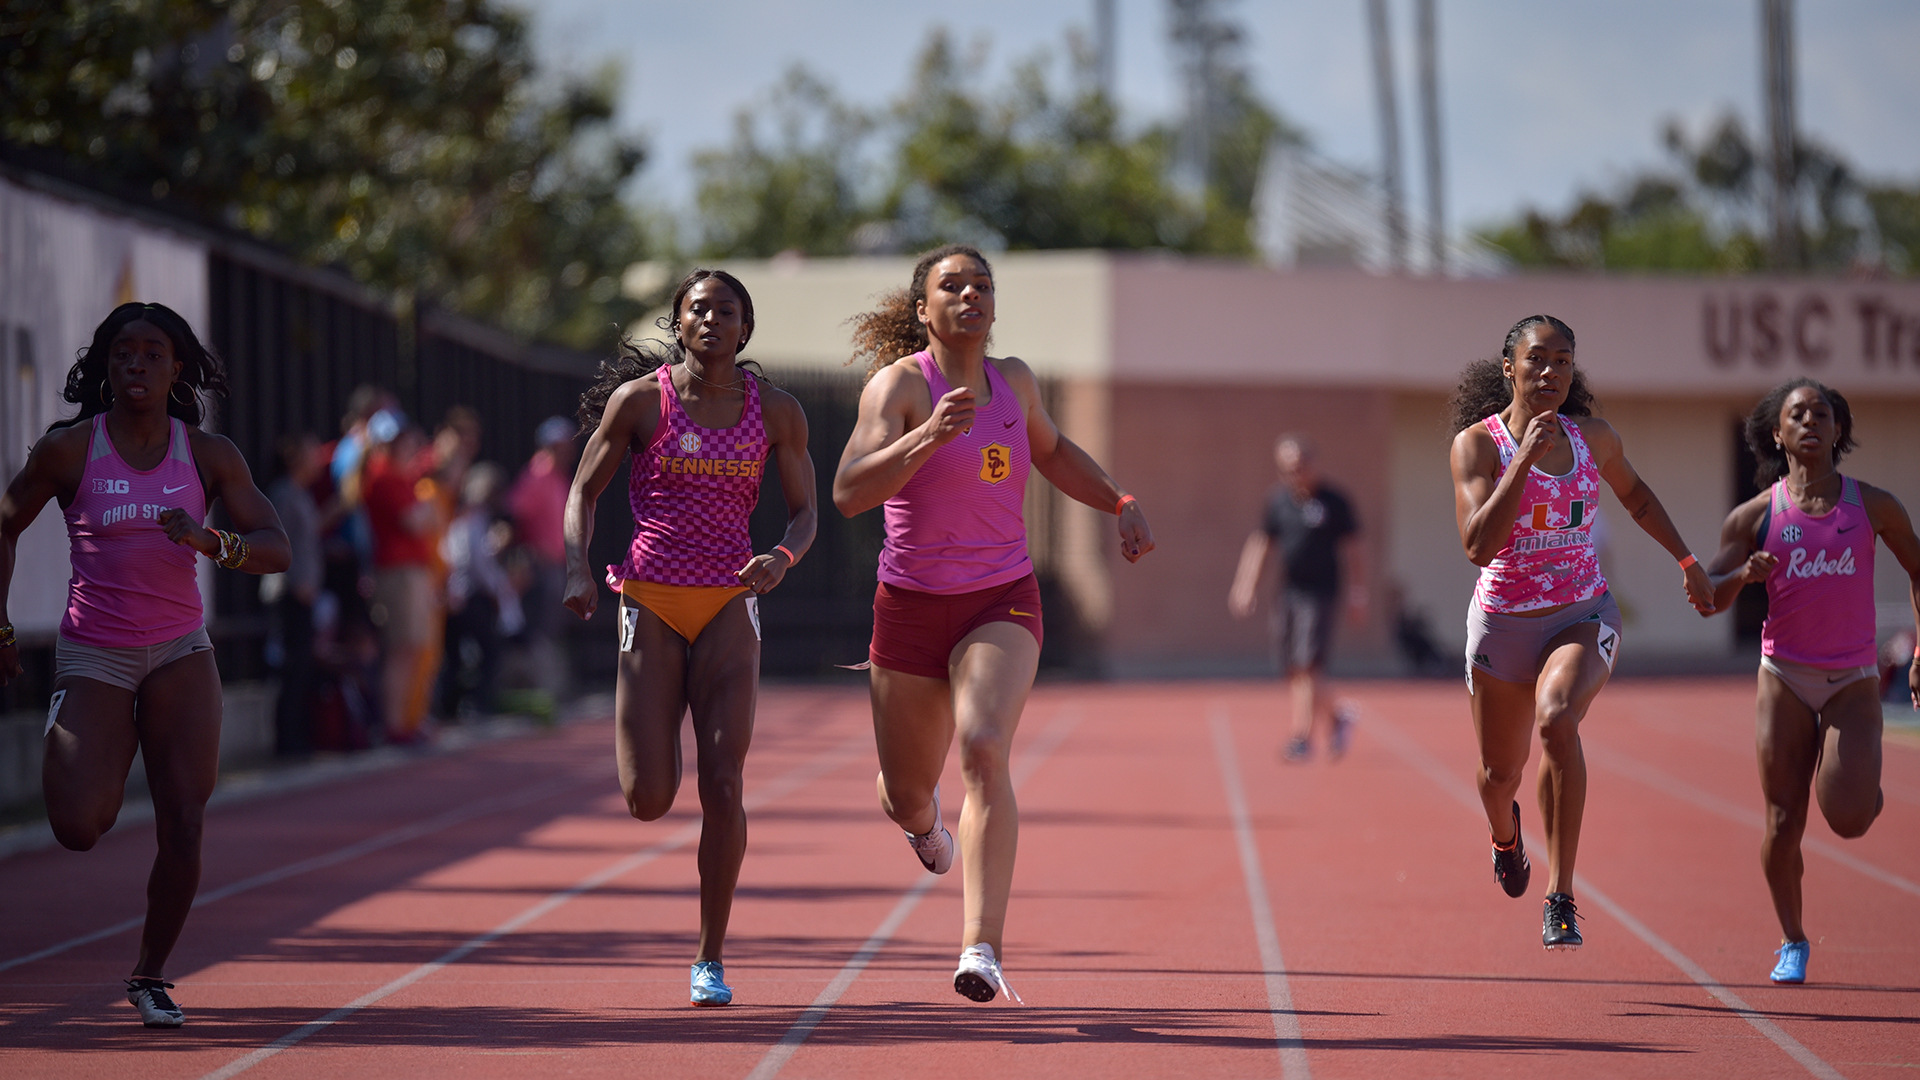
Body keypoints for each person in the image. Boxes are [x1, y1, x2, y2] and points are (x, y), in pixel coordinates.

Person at [833, 244, 1154, 1002]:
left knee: (982, 746)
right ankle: (923, 826)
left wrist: (1119, 501)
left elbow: (1053, 452)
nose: (971, 295)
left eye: (982, 284)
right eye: (953, 285)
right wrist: (927, 437)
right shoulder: (899, 386)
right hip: (910, 604)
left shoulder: (1016, 382)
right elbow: (848, 492)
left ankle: (981, 947)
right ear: (924, 309)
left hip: (1000, 597)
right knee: (906, 791)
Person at [0, 302, 290, 1027]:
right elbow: (4, 525)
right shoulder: (69, 450)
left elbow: (276, 546)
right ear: (107, 366)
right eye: (123, 352)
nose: (137, 364)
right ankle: (106, 733)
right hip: (96, 650)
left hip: (180, 652)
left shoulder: (209, 454)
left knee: (184, 822)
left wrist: (210, 541)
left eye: (153, 353)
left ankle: (151, 975)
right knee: (77, 825)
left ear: (176, 369)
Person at [564, 269, 816, 1007]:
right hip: (650, 599)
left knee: (725, 780)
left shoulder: (778, 412)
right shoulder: (641, 402)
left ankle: (710, 957)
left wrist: (782, 556)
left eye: (725, 311)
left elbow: (804, 513)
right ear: (678, 323)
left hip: (730, 603)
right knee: (648, 798)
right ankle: (659, 732)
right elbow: (583, 490)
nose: (711, 320)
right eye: (698, 310)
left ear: (745, 327)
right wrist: (577, 567)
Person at [1447, 314, 1712, 951]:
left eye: (1563, 361)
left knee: (1558, 719)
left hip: (1582, 612)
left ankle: (1560, 896)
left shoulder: (1594, 438)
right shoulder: (1476, 446)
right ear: (1509, 367)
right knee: (1498, 775)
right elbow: (1478, 546)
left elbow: (1637, 497)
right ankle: (1505, 837)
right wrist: (1523, 461)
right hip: (1504, 623)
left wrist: (1687, 560)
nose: (1550, 372)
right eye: (1537, 359)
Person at [1700, 378, 1920, 985]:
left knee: (1848, 818)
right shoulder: (1755, 516)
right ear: (1778, 433)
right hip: (1785, 677)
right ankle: (1792, 939)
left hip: (1852, 677)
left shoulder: (1872, 505)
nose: (1810, 422)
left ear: (1838, 429)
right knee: (1782, 820)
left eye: (1821, 413)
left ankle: (1861, 790)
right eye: (1797, 414)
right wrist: (1742, 576)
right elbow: (1707, 597)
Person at [1227, 435, 1367, 761]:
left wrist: (1358, 593)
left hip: (1321, 593)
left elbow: (1354, 549)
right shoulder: (1278, 502)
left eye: (1301, 467)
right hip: (1289, 592)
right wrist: (1245, 585)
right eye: (1288, 469)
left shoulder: (1334, 501)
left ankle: (1301, 737)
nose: (1296, 474)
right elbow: (1262, 543)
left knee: (1308, 665)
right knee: (1292, 667)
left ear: (1313, 464)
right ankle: (1338, 716)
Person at [362, 416, 443, 743]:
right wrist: (425, 512)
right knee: (402, 648)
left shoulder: (402, 479)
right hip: (397, 572)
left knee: (414, 647)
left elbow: (429, 519)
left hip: (412, 571)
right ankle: (395, 724)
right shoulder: (384, 478)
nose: (411, 448)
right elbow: (415, 521)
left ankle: (408, 720)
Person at [511, 415, 580, 704]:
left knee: (553, 625)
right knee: (541, 626)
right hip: (541, 564)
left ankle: (551, 686)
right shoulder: (537, 475)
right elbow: (517, 515)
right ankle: (541, 687)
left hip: (557, 563)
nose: (569, 451)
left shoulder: (558, 476)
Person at [266, 432, 326, 756]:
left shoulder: (302, 494)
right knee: (292, 665)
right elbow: (277, 540)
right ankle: (287, 738)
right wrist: (294, 580)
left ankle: (300, 734)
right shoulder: (285, 494)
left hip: (306, 592)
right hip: (290, 592)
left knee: (303, 665)